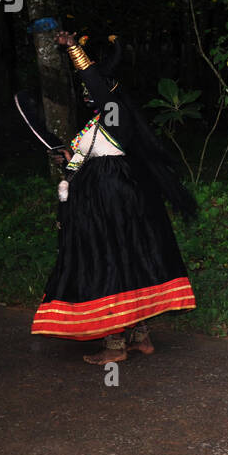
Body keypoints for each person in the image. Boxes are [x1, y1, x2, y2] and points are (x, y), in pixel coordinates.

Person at [31, 32, 196, 364]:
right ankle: (140, 337)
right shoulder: (105, 120)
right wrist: (67, 158)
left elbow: (97, 86)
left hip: (109, 201)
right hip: (118, 198)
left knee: (108, 262)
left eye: (91, 88)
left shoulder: (114, 110)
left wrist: (76, 52)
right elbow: (89, 155)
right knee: (128, 260)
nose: (87, 93)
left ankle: (115, 344)